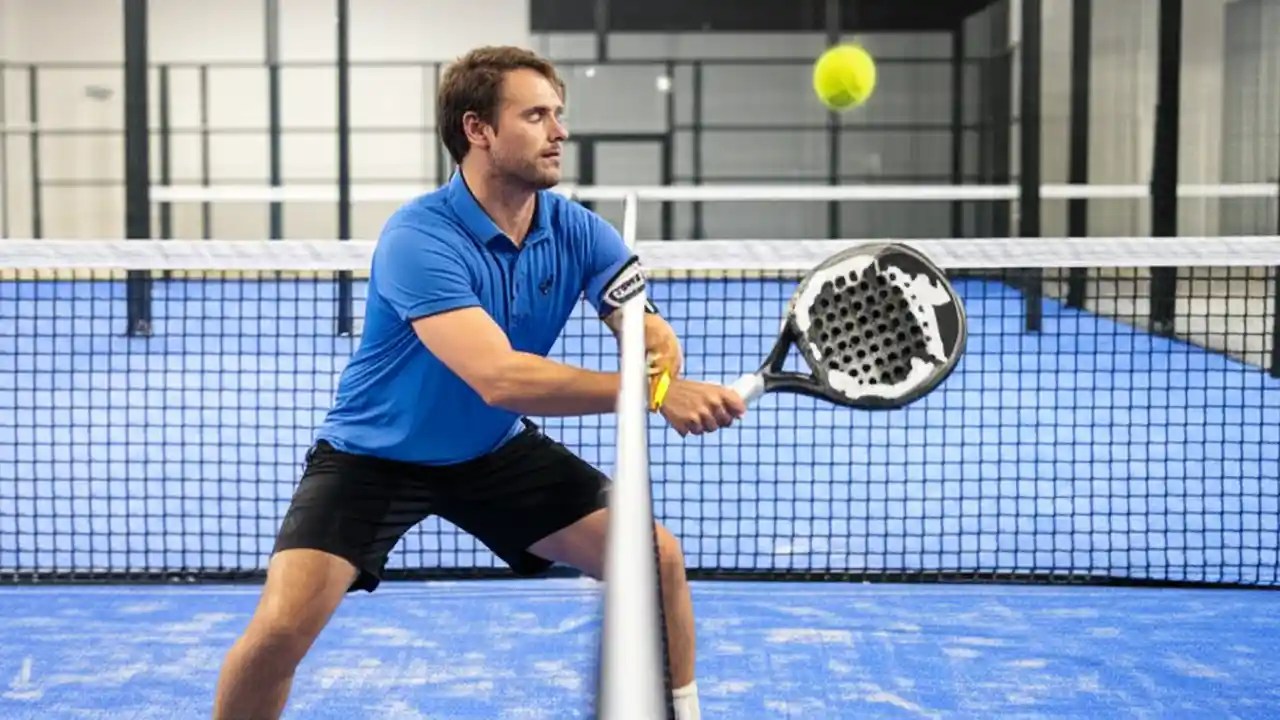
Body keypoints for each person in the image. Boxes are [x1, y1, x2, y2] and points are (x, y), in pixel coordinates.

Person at [212, 45, 746, 720]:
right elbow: (498, 377)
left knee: (656, 560)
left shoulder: (578, 229)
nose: (560, 131)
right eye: (536, 115)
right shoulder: (418, 237)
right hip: (373, 458)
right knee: (279, 632)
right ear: (478, 129)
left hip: (493, 453)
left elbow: (645, 327)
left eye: (558, 114)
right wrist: (653, 393)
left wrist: (657, 351)